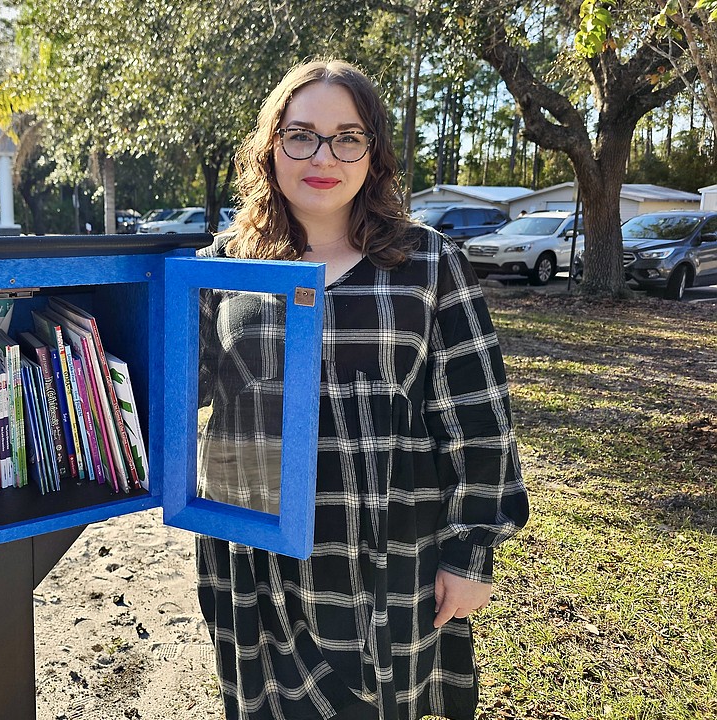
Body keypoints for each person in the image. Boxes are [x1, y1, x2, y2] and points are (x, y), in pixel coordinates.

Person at [195, 59, 529, 720]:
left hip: (391, 555)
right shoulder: (223, 266)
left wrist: (471, 553)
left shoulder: (428, 262)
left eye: (347, 137)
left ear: (372, 152)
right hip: (258, 557)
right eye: (300, 135)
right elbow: (178, 396)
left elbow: (479, 418)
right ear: (270, 146)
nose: (323, 156)